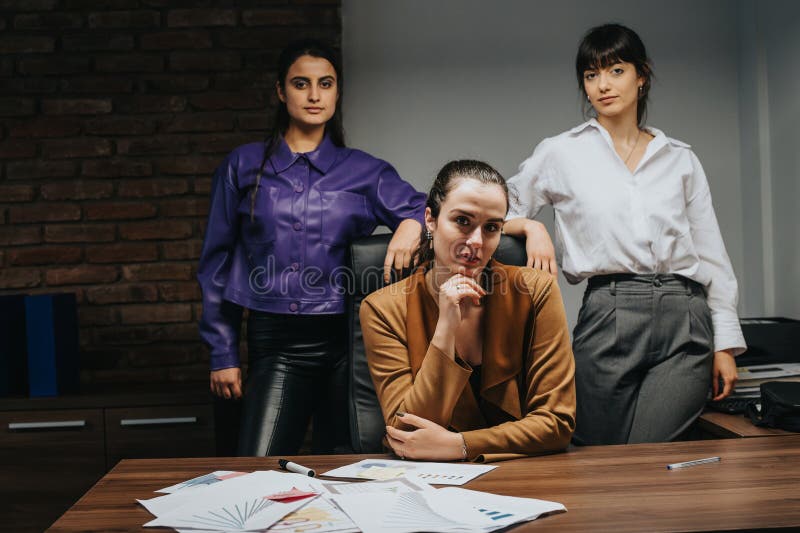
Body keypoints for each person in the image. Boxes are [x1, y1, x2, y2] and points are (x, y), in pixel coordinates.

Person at [504, 23, 746, 445]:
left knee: (652, 458)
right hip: (609, 312)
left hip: (685, 319)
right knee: (593, 455)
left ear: (642, 75)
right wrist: (529, 225)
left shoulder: (680, 159)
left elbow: (711, 254)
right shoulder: (561, 152)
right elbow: (490, 211)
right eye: (591, 75)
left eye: (615, 70)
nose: (602, 85)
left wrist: (724, 343)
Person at [197, 39, 426, 456]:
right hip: (277, 342)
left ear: (338, 92)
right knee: (257, 469)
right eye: (301, 84)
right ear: (281, 92)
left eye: (326, 83)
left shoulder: (366, 171)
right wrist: (223, 352)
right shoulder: (243, 165)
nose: (315, 95)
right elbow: (216, 262)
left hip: (351, 343)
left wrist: (415, 223)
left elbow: (433, 211)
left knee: (352, 471)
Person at [359, 160, 576, 463]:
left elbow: (556, 423)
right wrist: (445, 329)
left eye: (491, 228)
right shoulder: (382, 308)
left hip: (523, 476)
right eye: (462, 221)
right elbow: (406, 431)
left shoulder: (536, 291)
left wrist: (460, 444)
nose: (476, 241)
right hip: (425, 483)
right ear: (430, 220)